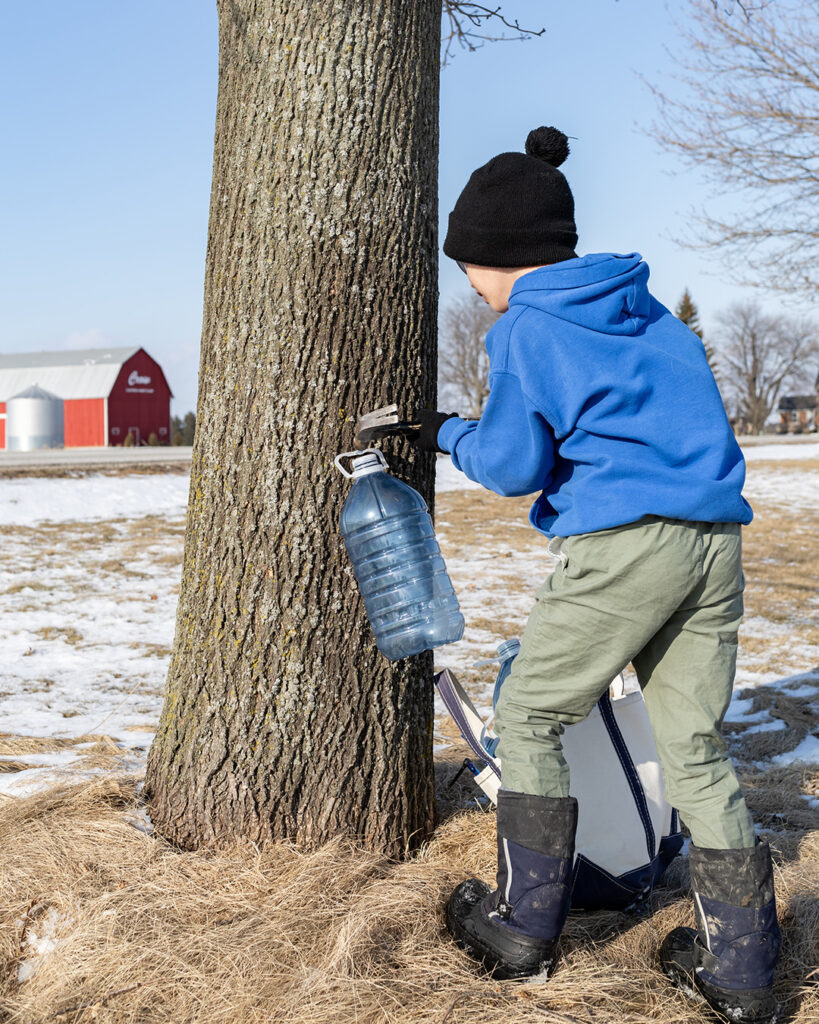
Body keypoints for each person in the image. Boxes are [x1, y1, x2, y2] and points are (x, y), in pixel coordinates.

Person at [408, 126, 780, 1024]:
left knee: (531, 712)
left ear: (495, 258)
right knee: (691, 743)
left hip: (622, 547)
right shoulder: (649, 313)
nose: (471, 286)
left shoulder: (528, 326)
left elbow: (510, 463)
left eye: (470, 269)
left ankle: (523, 928)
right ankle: (741, 971)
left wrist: (444, 430)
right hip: (714, 542)